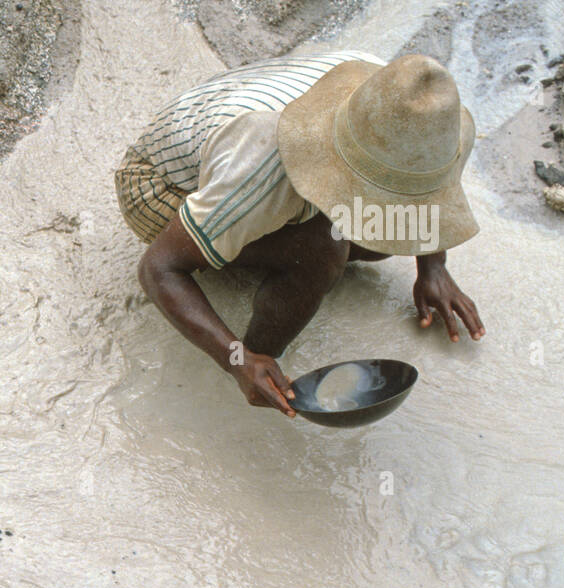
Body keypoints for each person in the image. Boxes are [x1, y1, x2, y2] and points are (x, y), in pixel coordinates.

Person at [116, 51, 485, 417]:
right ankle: (261, 363)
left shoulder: (401, 97)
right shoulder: (263, 166)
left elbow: (427, 184)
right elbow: (159, 268)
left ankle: (271, 250)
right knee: (323, 250)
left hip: (233, 125)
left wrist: (434, 266)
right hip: (158, 181)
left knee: (380, 237)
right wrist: (236, 359)